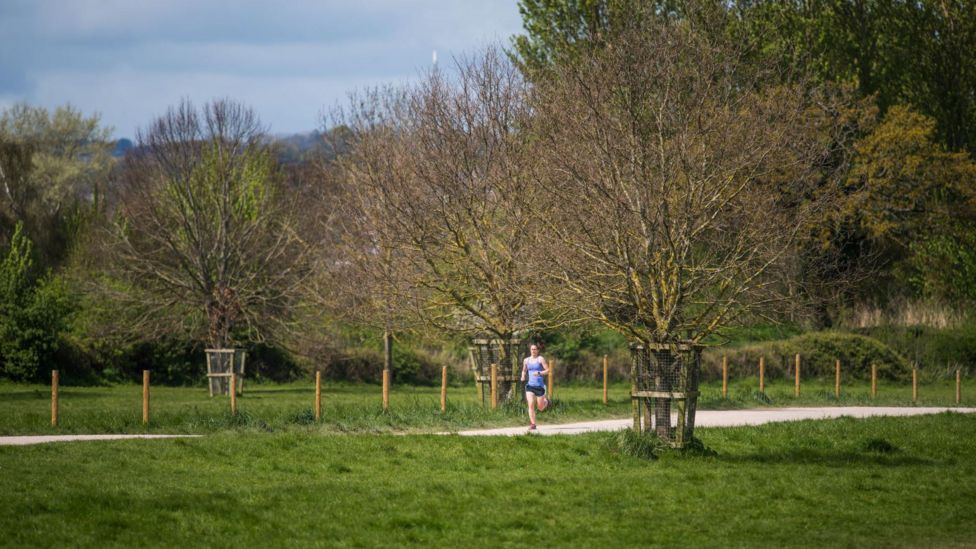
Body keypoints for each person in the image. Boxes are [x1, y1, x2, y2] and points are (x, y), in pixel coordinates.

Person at [521, 343, 550, 431]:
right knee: (530, 404)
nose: (533, 351)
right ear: (530, 350)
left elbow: (548, 370)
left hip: (540, 387)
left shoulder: (540, 359)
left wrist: (539, 373)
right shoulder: (526, 360)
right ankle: (533, 424)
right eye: (532, 349)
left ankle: (547, 402)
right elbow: (524, 370)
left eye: (535, 349)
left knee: (540, 408)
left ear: (538, 350)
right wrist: (522, 376)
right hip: (530, 386)